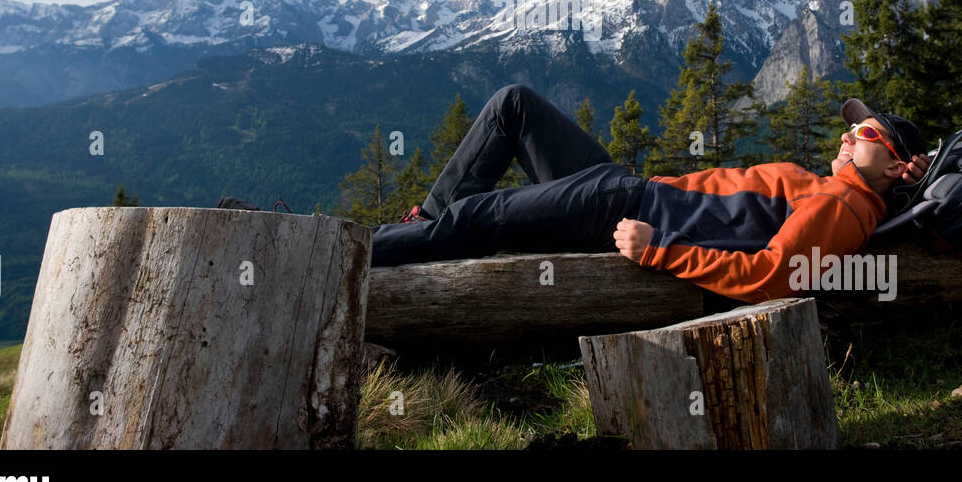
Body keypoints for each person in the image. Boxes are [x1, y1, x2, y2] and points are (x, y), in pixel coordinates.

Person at [371, 83, 929, 305]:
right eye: (853, 127)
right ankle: (422, 225)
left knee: (477, 218)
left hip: (625, 211)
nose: (849, 134)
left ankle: (352, 252)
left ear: (898, 168)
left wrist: (659, 248)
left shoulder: (842, 207)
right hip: (629, 187)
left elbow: (773, 277)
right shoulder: (838, 189)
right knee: (513, 106)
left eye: (867, 133)